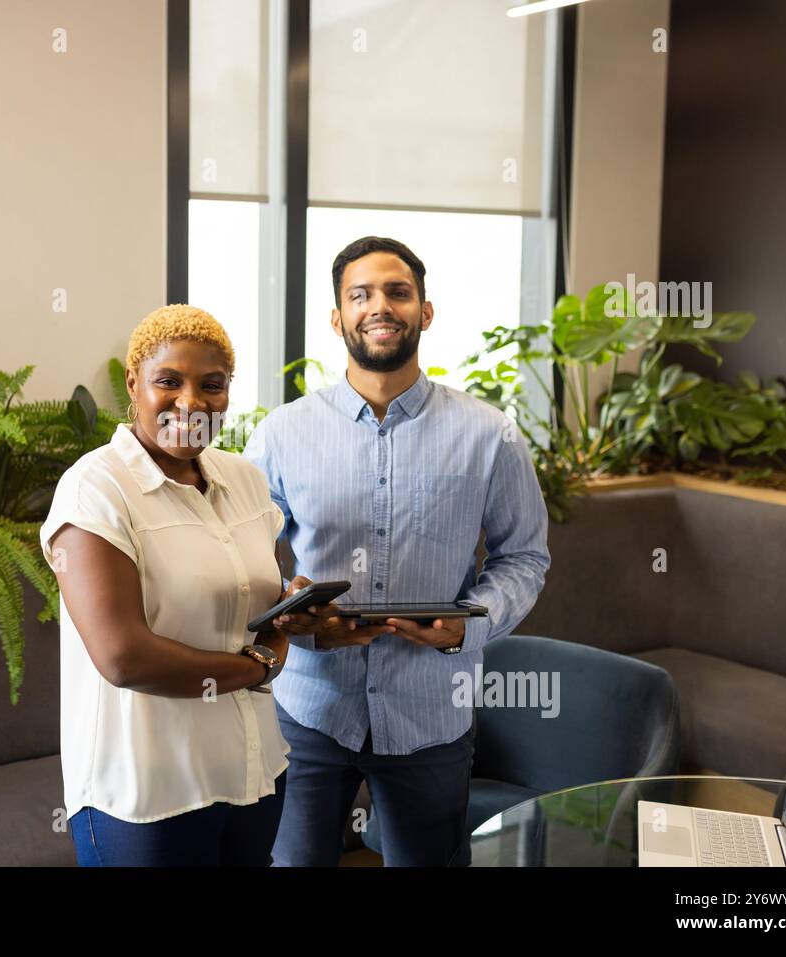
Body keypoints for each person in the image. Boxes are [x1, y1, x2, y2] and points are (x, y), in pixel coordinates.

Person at [244, 236, 551, 866]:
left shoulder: (489, 435)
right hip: (308, 712)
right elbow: (242, 558)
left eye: (397, 292)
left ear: (425, 312)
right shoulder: (281, 435)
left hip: (432, 712)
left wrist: (464, 630)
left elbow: (524, 556)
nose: (379, 306)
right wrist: (294, 617)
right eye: (360, 294)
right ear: (338, 319)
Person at [40, 304, 293, 866]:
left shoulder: (246, 481)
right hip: (146, 796)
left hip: (255, 771)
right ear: (133, 383)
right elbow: (123, 658)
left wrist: (294, 611)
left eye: (212, 385)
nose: (191, 402)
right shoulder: (94, 489)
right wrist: (259, 665)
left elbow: (253, 600)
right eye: (168, 381)